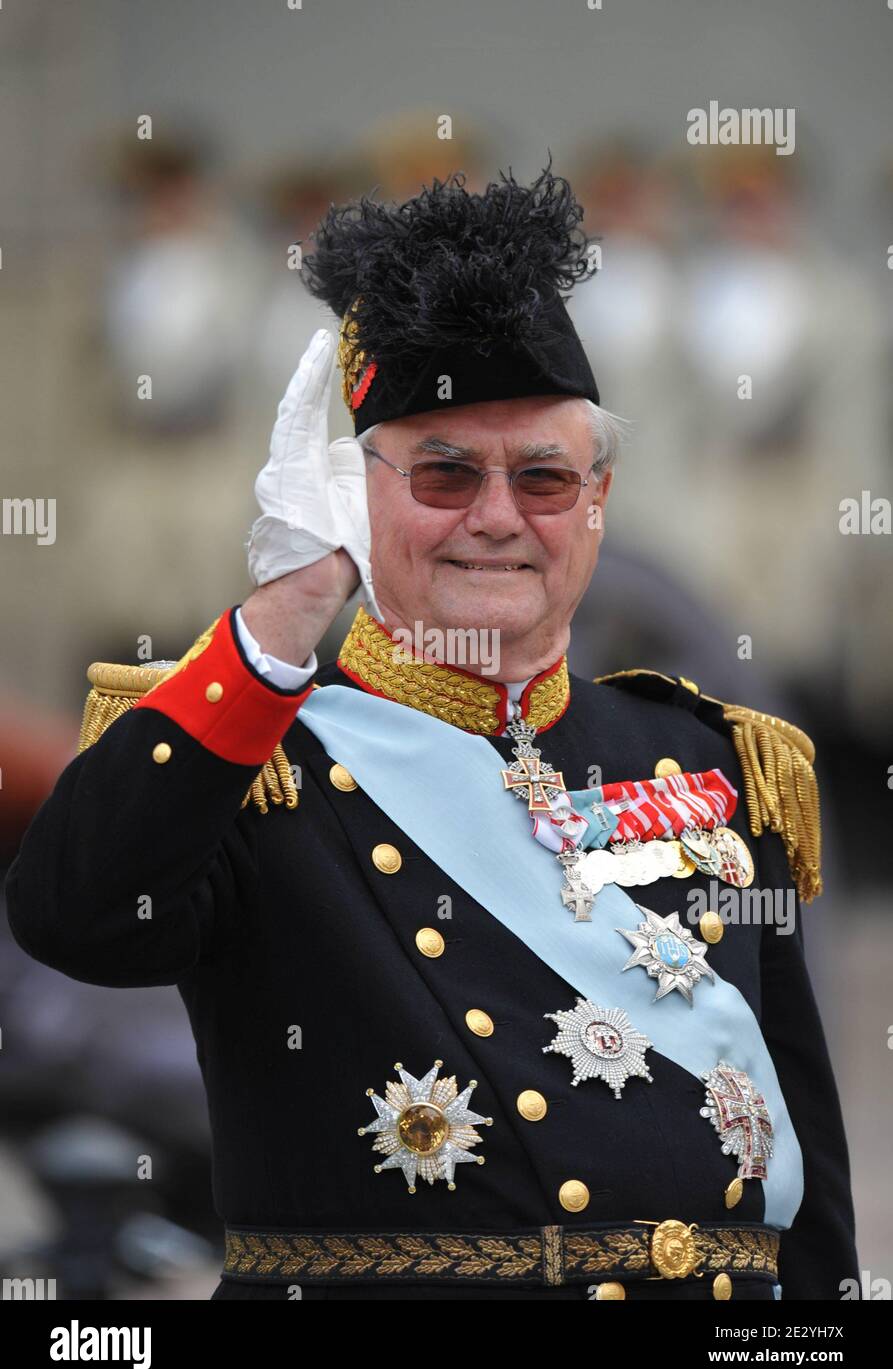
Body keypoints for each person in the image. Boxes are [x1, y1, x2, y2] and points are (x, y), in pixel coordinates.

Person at [7, 166, 857, 1301]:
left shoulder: (712, 758)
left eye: (543, 478)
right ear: (353, 494)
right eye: (444, 474)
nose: (497, 517)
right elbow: (79, 916)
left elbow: (797, 1177)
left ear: (598, 499)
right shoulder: (253, 755)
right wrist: (278, 626)